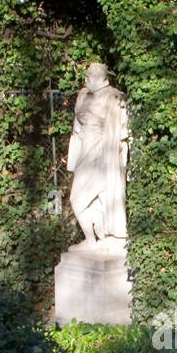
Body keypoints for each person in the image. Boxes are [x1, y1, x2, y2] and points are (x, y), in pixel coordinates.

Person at [67, 63, 129, 244]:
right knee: (79, 199)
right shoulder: (82, 95)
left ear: (102, 79)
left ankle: (102, 239)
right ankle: (92, 239)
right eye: (85, 77)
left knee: (98, 198)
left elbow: (123, 132)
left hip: (103, 154)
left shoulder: (115, 97)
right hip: (85, 152)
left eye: (89, 77)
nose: (86, 80)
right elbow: (77, 127)